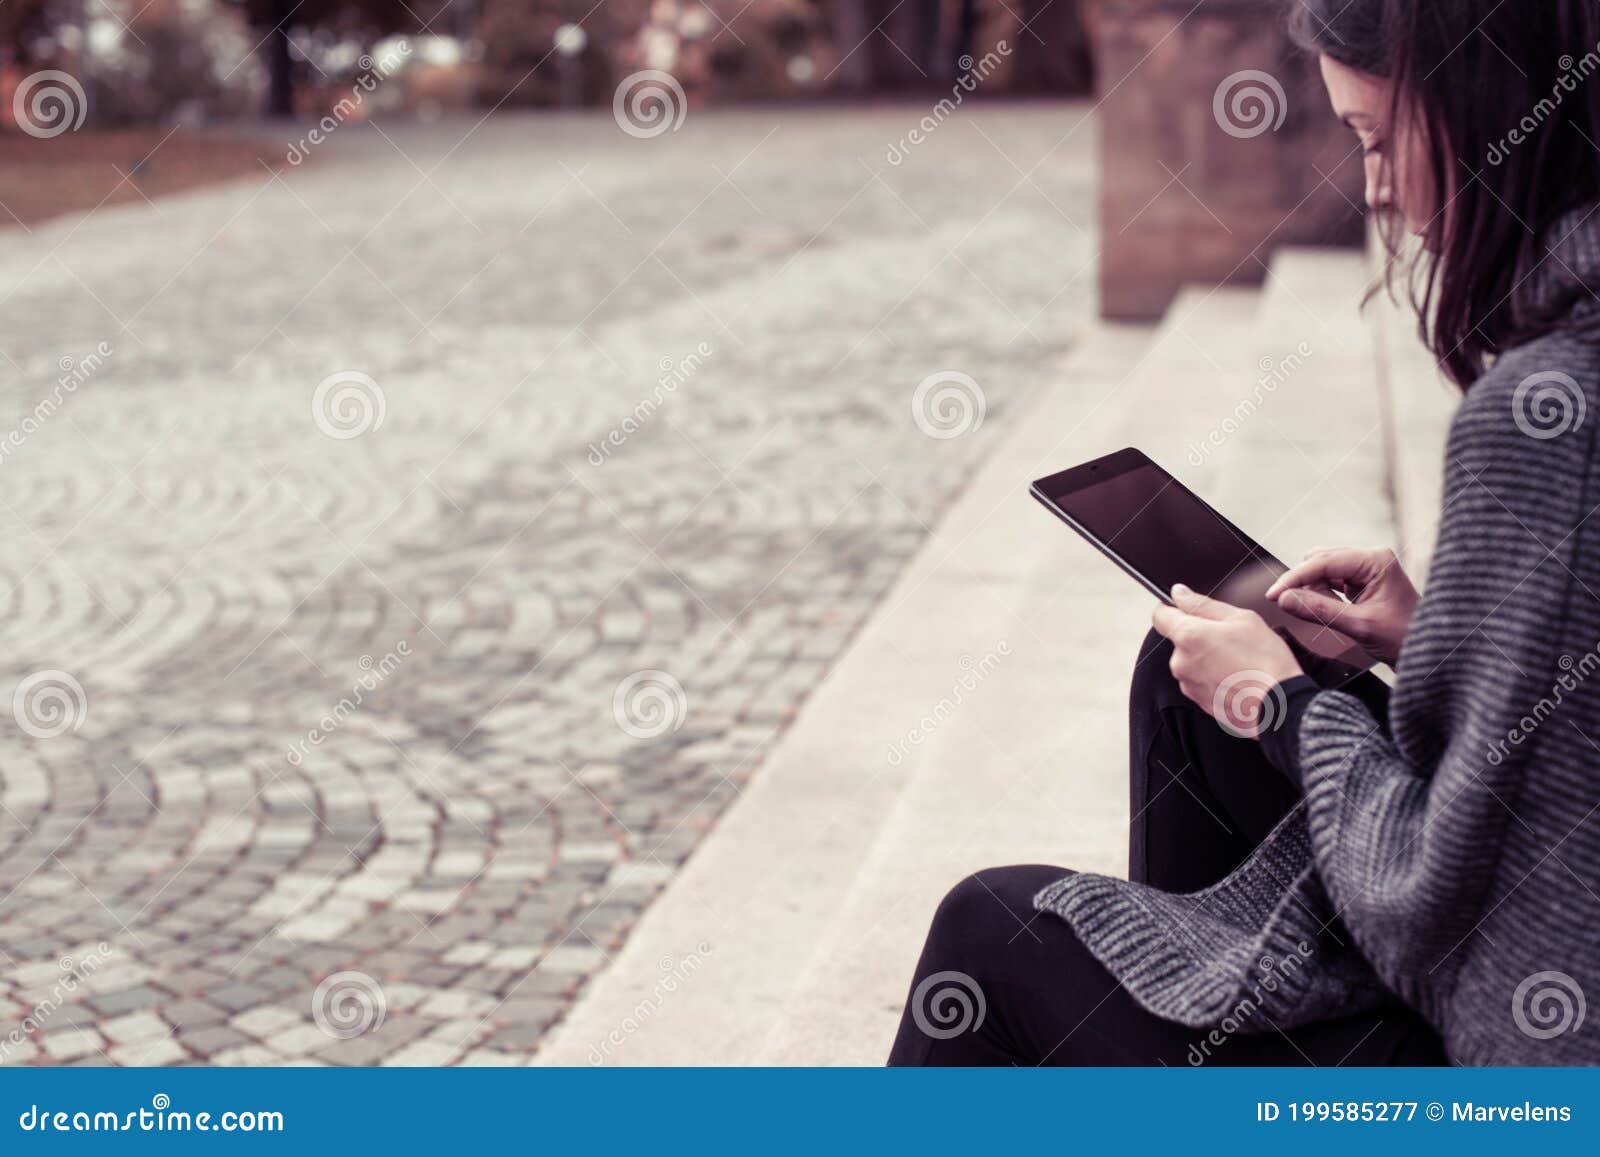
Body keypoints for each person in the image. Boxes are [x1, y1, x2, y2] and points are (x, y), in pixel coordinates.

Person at [890, 0, 1600, 1066]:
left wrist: (1279, 700)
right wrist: (1436, 638)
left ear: (1493, 112)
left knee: (987, 928)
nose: (1375, 190)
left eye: (1374, 137)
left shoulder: (1546, 418)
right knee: (1181, 677)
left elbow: (1442, 908)